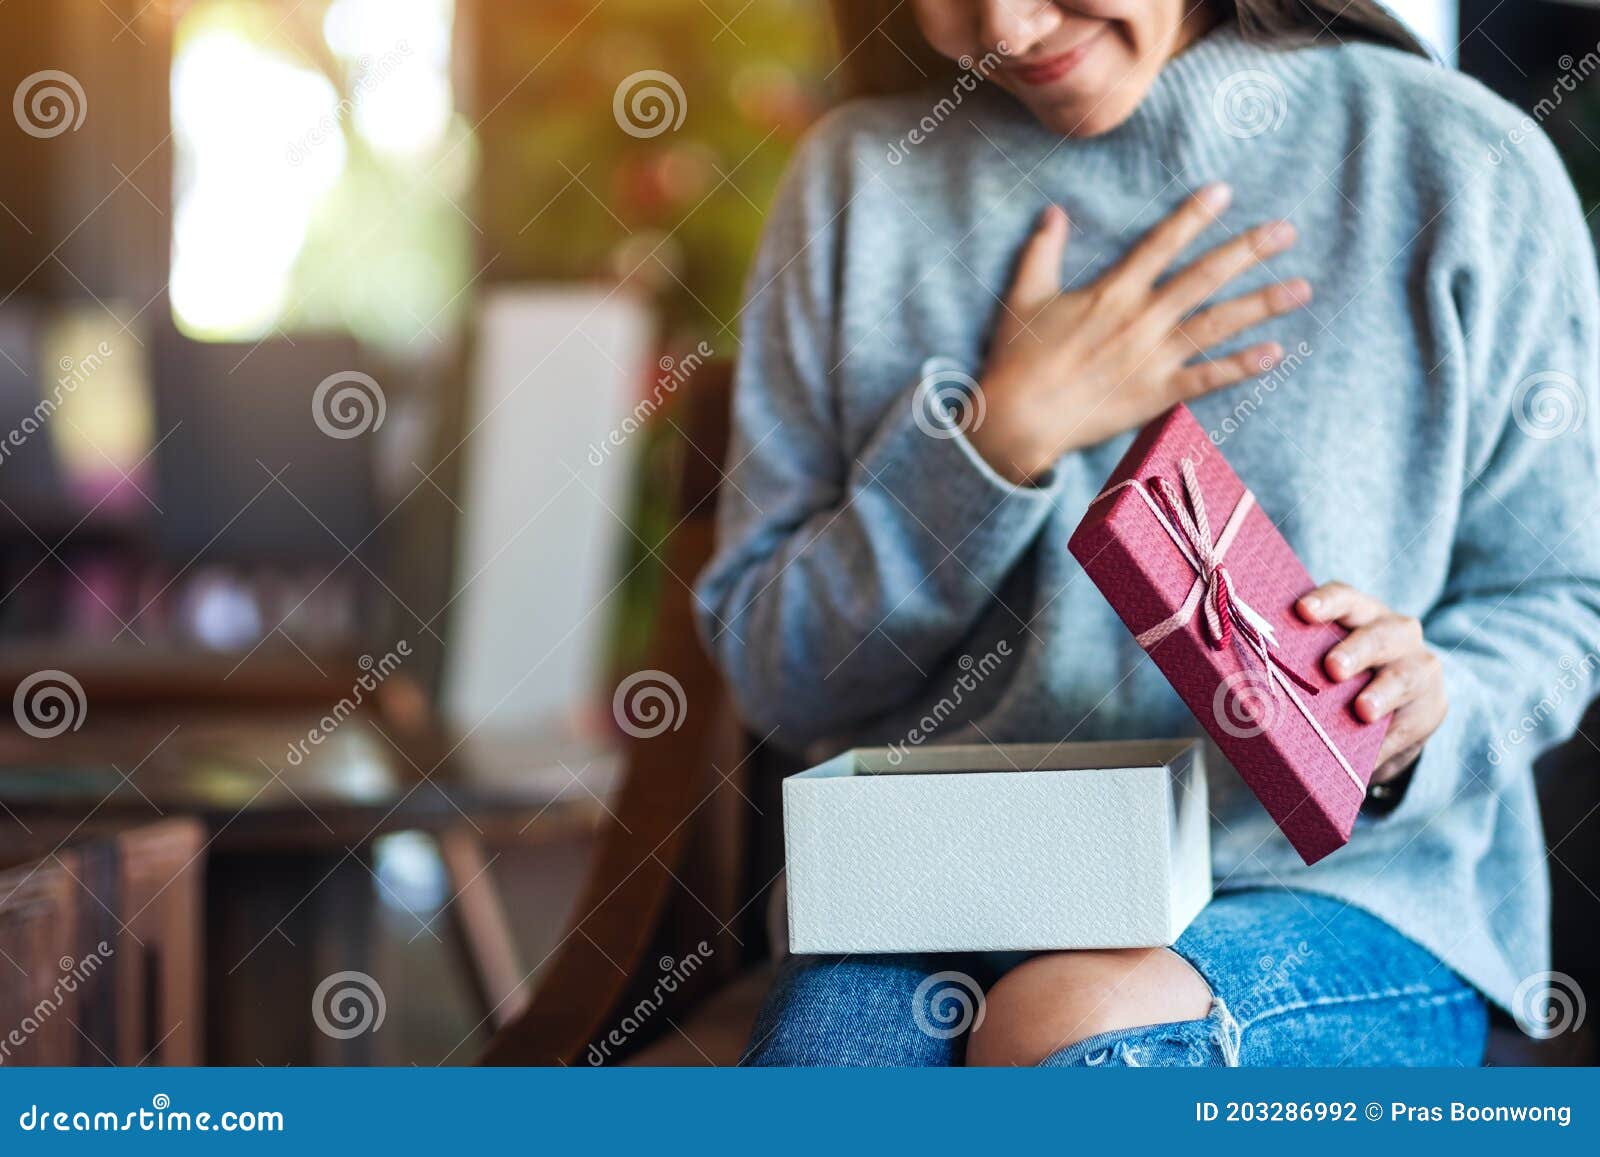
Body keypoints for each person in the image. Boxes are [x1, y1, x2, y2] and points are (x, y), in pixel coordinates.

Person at [694, 0, 1600, 1066]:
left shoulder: (1459, 161)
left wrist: (1420, 718)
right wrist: (994, 440)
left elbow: (1562, 604)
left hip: (1343, 893)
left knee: (1072, 1032)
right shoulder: (858, 180)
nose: (1007, 26)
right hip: (934, 891)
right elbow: (781, 674)